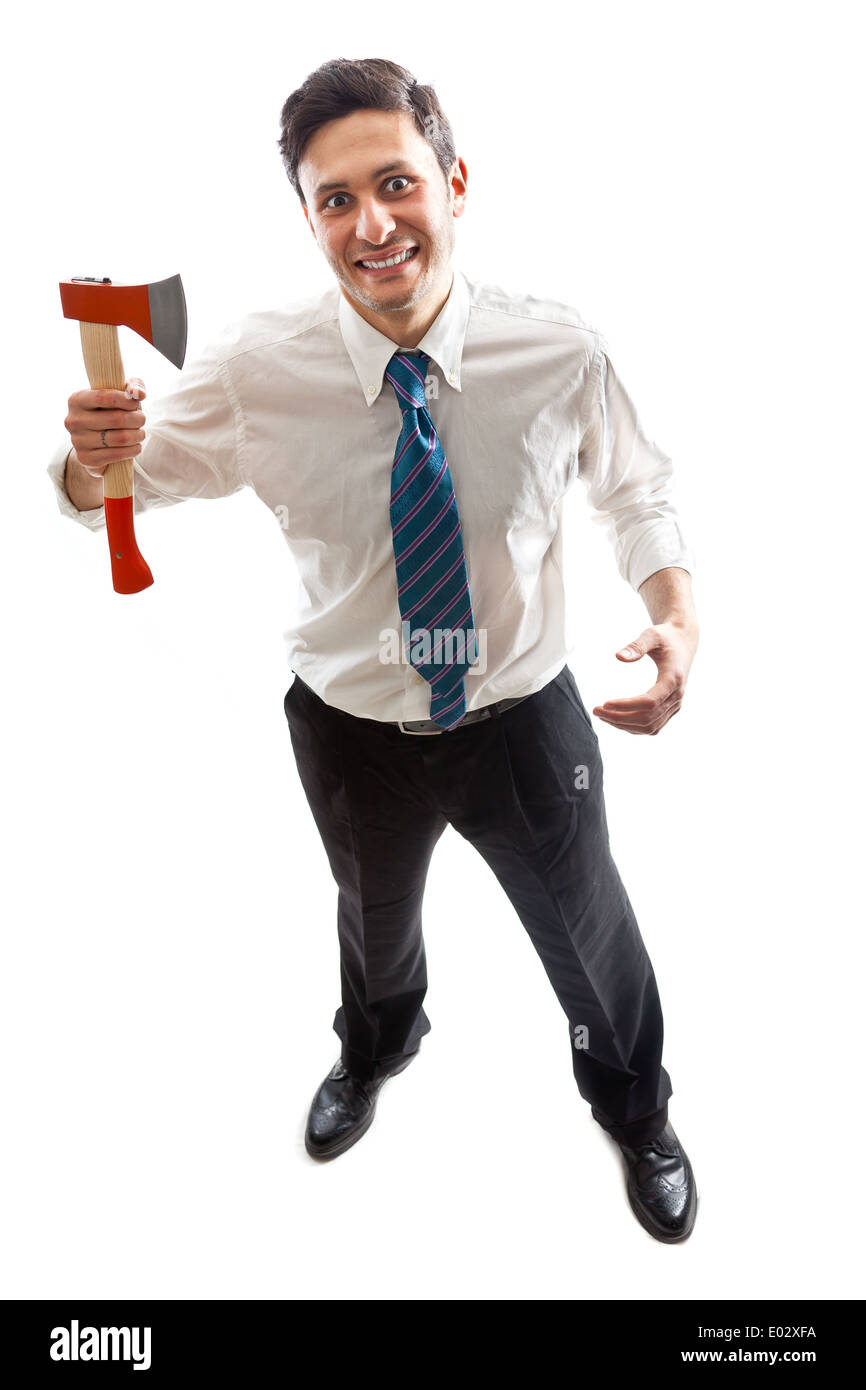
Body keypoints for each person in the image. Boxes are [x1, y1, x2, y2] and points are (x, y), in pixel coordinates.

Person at [49, 57, 700, 1243]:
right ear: (307, 221)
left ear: (452, 181)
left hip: (519, 713)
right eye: (333, 200)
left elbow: (637, 492)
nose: (370, 222)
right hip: (349, 729)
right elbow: (113, 491)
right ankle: (378, 1047)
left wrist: (676, 615)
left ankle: (635, 1105)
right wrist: (89, 455)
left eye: (393, 182)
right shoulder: (252, 371)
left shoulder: (555, 352)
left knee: (591, 926)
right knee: (370, 919)